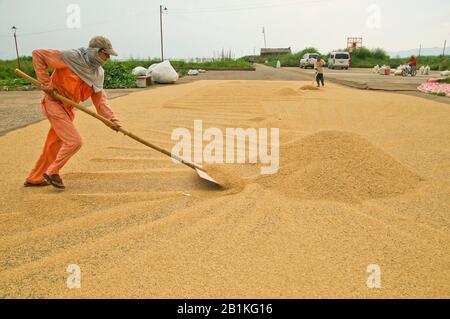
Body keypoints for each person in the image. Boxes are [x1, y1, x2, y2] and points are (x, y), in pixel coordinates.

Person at [24, 36, 122, 189]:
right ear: (96, 51)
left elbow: (100, 101)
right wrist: (46, 83)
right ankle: (52, 172)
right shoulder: (71, 57)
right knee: (74, 142)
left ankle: (34, 178)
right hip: (53, 103)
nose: (108, 58)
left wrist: (112, 120)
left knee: (53, 145)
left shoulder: (98, 74)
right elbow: (38, 54)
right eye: (106, 54)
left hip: (68, 109)